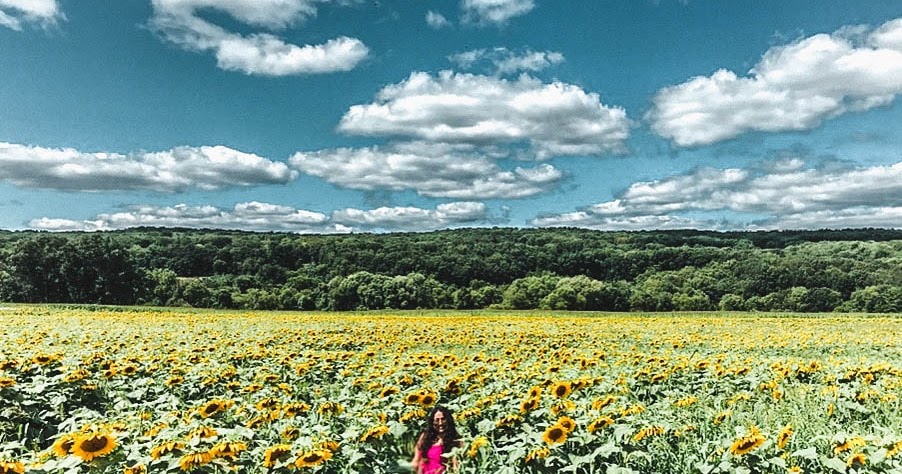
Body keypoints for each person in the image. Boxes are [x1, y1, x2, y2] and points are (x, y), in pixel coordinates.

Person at [410, 406, 460, 474]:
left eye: (443, 419)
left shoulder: (455, 439)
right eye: (437, 420)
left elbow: (456, 466)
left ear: (448, 420)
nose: (440, 423)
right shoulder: (425, 437)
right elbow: (416, 460)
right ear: (432, 422)